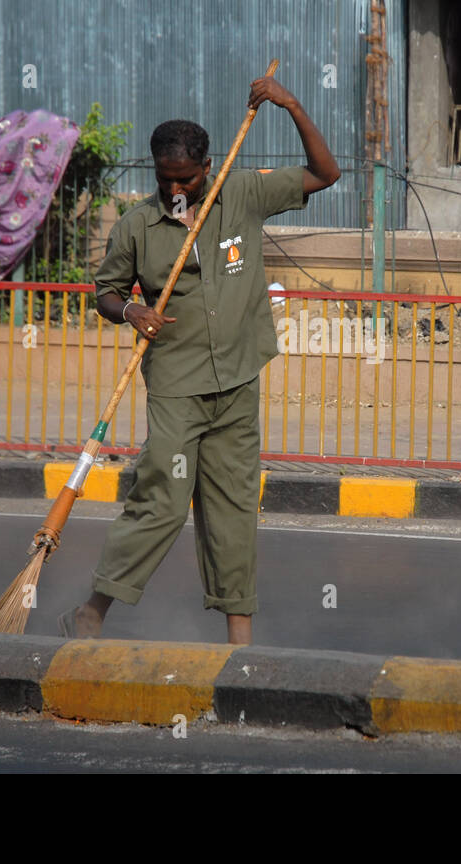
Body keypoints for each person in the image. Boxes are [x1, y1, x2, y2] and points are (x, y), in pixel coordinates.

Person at [59, 75, 340, 644]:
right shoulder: (139, 224)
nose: (177, 189)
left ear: (208, 166)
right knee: (161, 500)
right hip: (177, 387)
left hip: (238, 379)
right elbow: (105, 292)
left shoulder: (243, 194)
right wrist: (131, 312)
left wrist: (291, 105)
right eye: (165, 180)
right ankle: (93, 610)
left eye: (186, 178)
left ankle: (240, 645)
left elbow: (327, 174)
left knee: (235, 506)